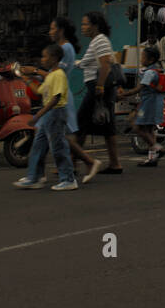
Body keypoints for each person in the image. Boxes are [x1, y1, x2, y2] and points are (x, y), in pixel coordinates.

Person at [23, 16, 99, 183]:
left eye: (52, 28)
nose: (50, 32)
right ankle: (37, 174)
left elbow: (58, 76)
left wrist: (35, 71)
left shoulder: (67, 49)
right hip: (52, 95)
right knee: (48, 136)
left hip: (60, 98)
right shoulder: (58, 48)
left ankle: (83, 165)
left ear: (60, 30)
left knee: (58, 138)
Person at [15, 44, 77, 191]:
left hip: (56, 112)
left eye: (45, 56)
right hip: (48, 114)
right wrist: (26, 78)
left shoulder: (59, 75)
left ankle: (68, 179)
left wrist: (38, 116)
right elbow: (39, 92)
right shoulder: (50, 76)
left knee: (58, 147)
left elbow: (55, 99)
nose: (42, 60)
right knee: (38, 145)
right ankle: (34, 177)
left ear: (54, 58)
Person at [77, 11, 123, 174]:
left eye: (85, 24)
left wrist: (100, 87)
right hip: (99, 87)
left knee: (80, 123)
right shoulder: (96, 41)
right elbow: (90, 63)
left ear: (94, 26)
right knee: (107, 126)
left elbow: (105, 65)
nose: (82, 27)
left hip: (98, 87)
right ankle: (115, 164)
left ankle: (73, 163)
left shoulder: (100, 40)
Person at [119, 45, 164, 167]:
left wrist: (125, 94)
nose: (141, 59)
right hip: (154, 101)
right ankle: (152, 158)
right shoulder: (155, 70)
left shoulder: (149, 72)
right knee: (149, 130)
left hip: (149, 102)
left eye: (143, 57)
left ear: (150, 60)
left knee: (137, 127)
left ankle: (157, 147)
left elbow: (140, 88)